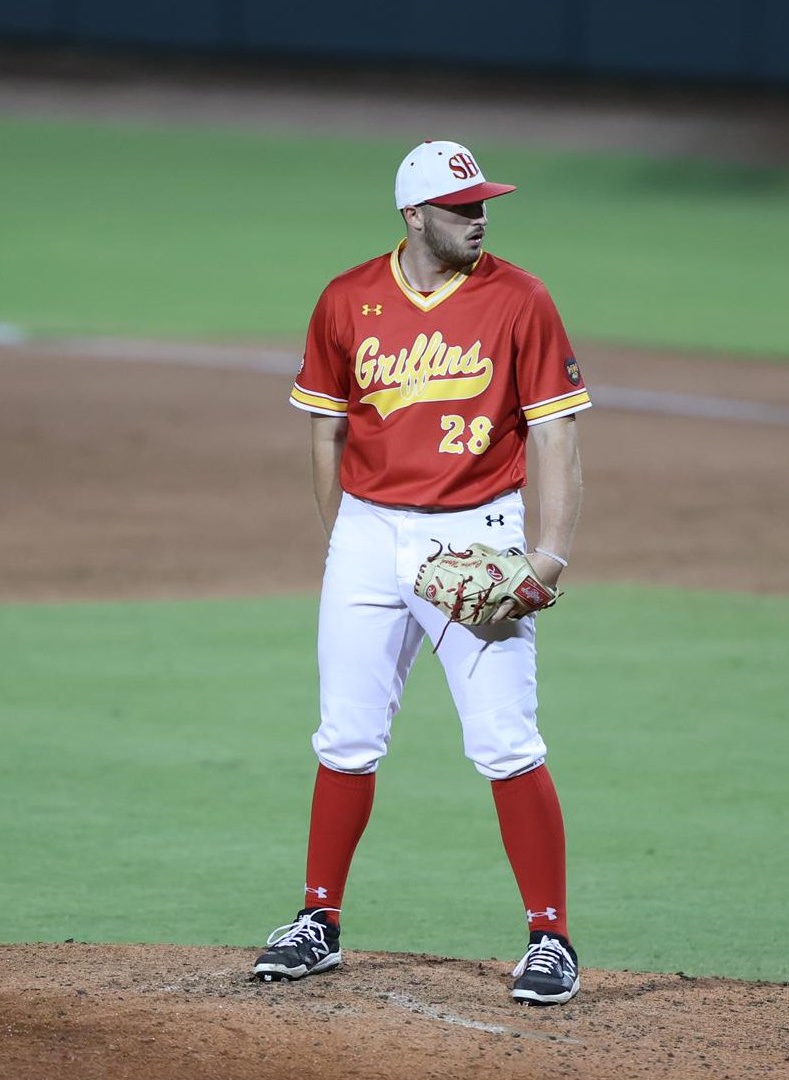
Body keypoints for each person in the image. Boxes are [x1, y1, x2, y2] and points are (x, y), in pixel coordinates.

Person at [254, 140, 592, 1006]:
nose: (479, 218)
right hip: (368, 537)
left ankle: (549, 936)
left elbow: (554, 434)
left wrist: (545, 555)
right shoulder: (347, 299)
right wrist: (350, 542)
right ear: (414, 216)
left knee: (506, 741)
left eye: (483, 204)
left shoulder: (520, 299)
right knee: (345, 736)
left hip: (476, 534)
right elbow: (326, 430)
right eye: (460, 207)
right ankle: (317, 921)